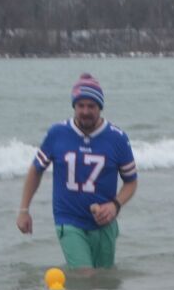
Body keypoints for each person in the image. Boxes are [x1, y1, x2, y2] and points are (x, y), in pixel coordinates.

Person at [16, 73, 139, 270]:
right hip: (68, 219)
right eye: (80, 105)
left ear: (100, 107)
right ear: (74, 106)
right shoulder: (57, 133)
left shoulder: (117, 139)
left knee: (104, 281)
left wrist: (115, 205)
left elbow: (131, 182)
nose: (85, 111)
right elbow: (36, 170)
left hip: (104, 223)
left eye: (91, 106)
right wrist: (24, 210)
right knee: (85, 274)